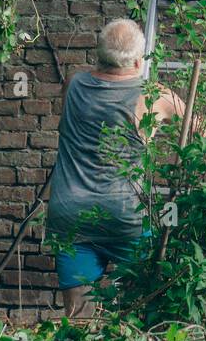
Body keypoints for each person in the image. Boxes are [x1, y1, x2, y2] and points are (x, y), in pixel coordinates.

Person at [46, 17, 188, 320]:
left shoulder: (73, 84)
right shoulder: (155, 95)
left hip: (71, 213)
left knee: (78, 319)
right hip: (125, 214)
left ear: (98, 54)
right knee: (136, 314)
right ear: (138, 61)